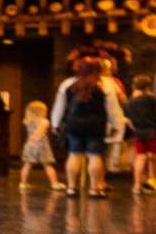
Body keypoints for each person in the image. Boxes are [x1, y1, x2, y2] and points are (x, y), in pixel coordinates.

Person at [51, 56, 122, 199]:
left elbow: (60, 105)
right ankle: (95, 189)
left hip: (74, 124)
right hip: (96, 124)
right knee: (95, 155)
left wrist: (55, 123)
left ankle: (71, 188)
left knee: (74, 154)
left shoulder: (68, 84)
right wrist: (116, 125)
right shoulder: (106, 85)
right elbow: (112, 108)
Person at [124, 74, 156, 193]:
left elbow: (129, 121)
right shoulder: (151, 98)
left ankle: (137, 186)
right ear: (148, 87)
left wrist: (137, 129)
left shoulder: (129, 103)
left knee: (140, 157)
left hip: (139, 133)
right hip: (154, 131)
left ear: (134, 86)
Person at [16, 98, 60, 192]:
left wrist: (31, 141)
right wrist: (36, 138)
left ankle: (23, 183)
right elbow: (40, 131)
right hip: (41, 145)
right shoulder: (44, 121)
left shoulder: (28, 121)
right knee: (47, 165)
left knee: (27, 164)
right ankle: (54, 183)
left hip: (29, 145)